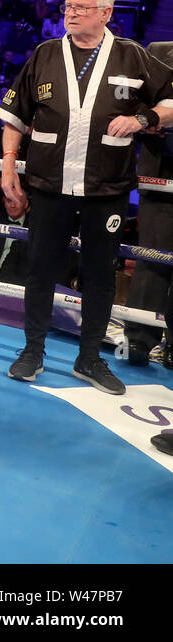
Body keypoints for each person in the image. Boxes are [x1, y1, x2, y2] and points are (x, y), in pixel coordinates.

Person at [0, 0, 173, 394]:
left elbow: (170, 101)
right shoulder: (44, 53)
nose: (70, 12)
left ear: (106, 13)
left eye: (80, 7)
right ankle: (32, 351)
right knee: (40, 269)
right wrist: (8, 168)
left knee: (99, 276)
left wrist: (143, 120)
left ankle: (90, 358)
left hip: (107, 188)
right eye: (68, 6)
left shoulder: (134, 56)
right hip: (47, 183)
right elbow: (14, 115)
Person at [119, 41, 173, 387]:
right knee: (153, 255)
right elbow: (130, 97)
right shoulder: (159, 51)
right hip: (161, 169)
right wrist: (145, 118)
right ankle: (138, 339)